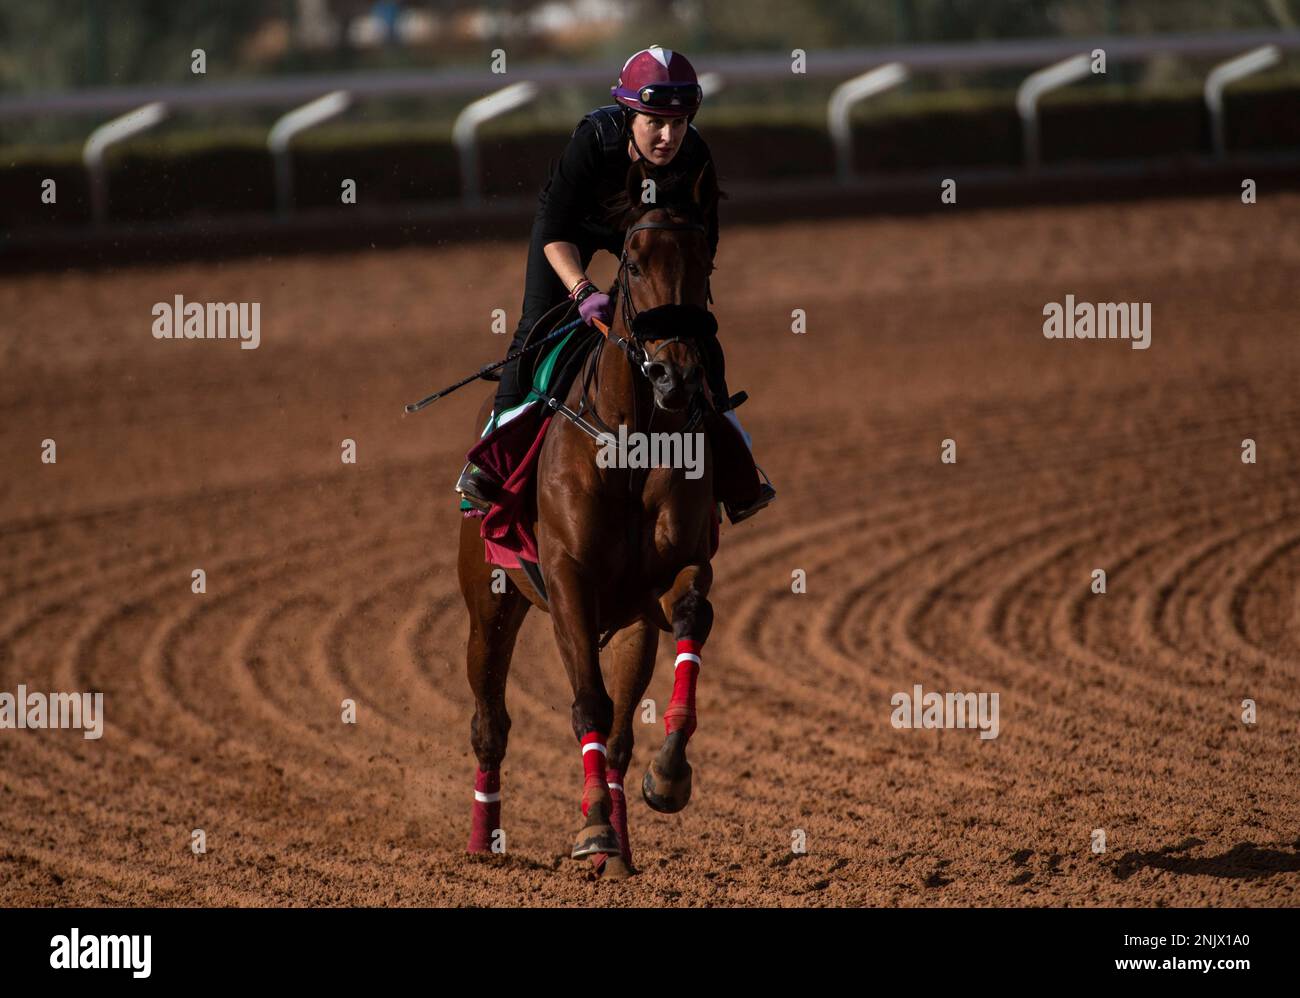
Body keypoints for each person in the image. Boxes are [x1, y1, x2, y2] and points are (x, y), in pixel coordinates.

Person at [455, 44, 775, 523]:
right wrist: (583, 292)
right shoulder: (593, 141)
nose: (669, 136)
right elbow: (555, 231)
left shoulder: (695, 158)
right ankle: (488, 463)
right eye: (655, 123)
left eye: (681, 123)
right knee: (535, 330)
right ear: (629, 115)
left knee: (700, 337)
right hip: (572, 232)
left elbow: (701, 248)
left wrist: (674, 305)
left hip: (651, 239)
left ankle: (737, 468)